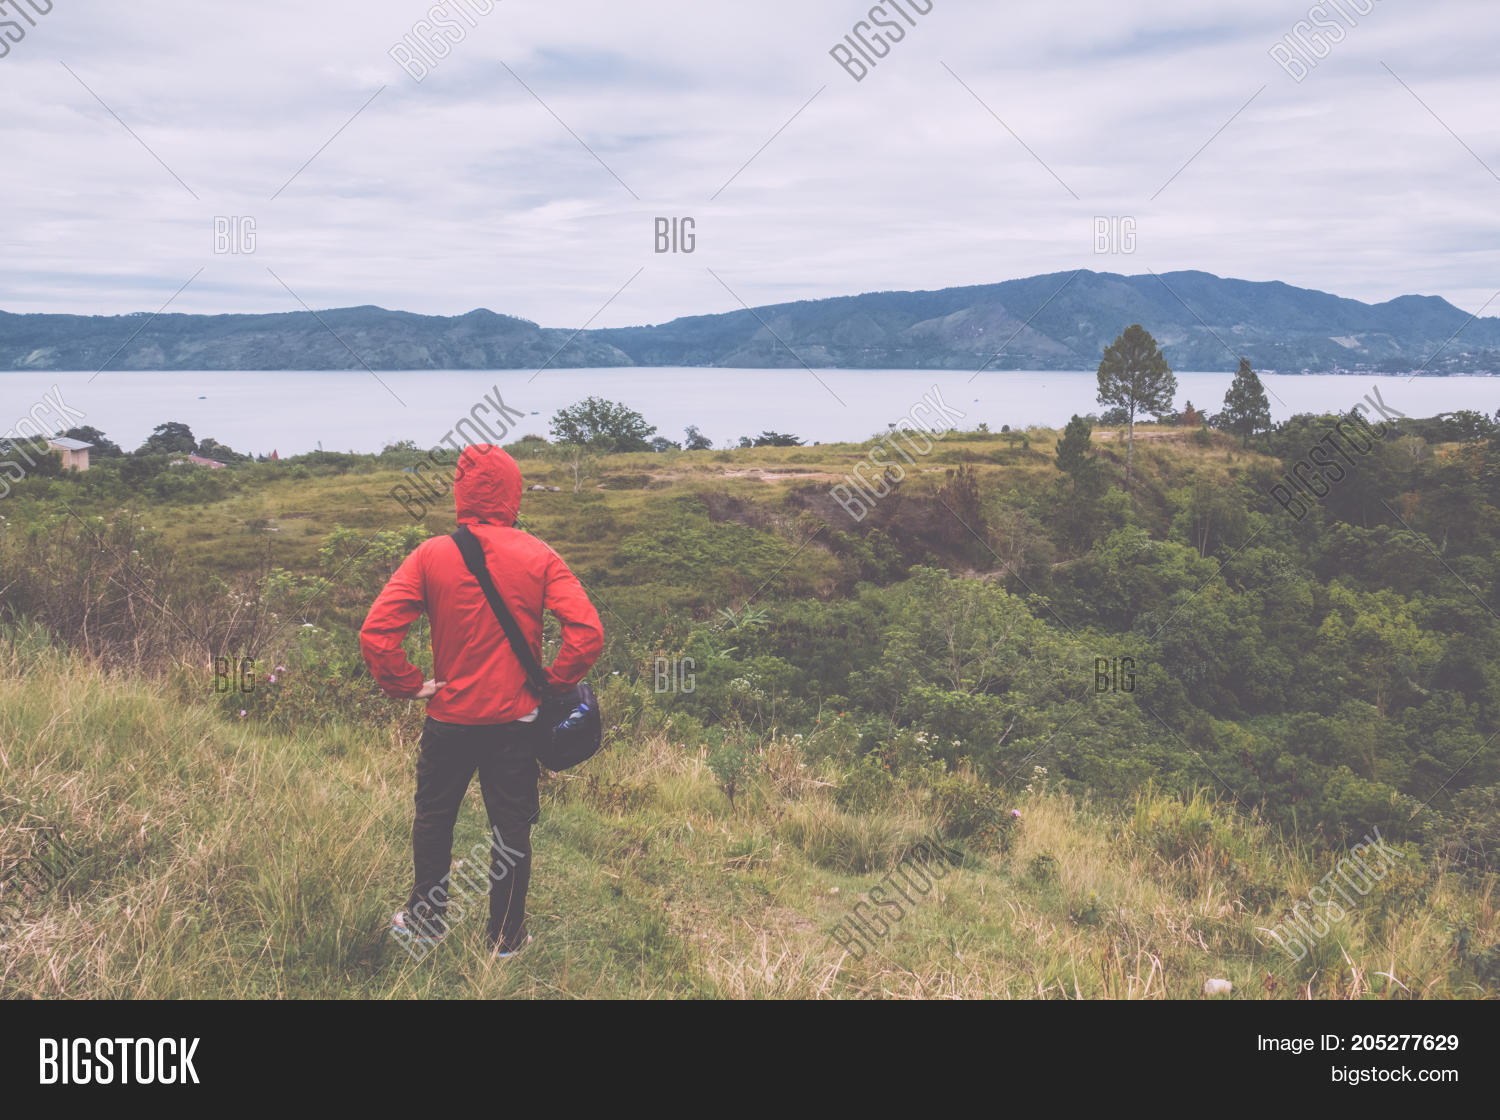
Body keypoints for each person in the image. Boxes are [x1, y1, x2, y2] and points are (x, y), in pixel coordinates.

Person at [360, 443, 603, 956]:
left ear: (461, 491)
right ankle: (506, 938)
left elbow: (377, 635)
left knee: (434, 819)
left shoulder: (430, 554)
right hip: (516, 723)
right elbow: (586, 634)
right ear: (513, 491)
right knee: (511, 830)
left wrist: (408, 684)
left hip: (448, 719)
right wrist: (552, 683)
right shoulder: (539, 554)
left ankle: (425, 924)